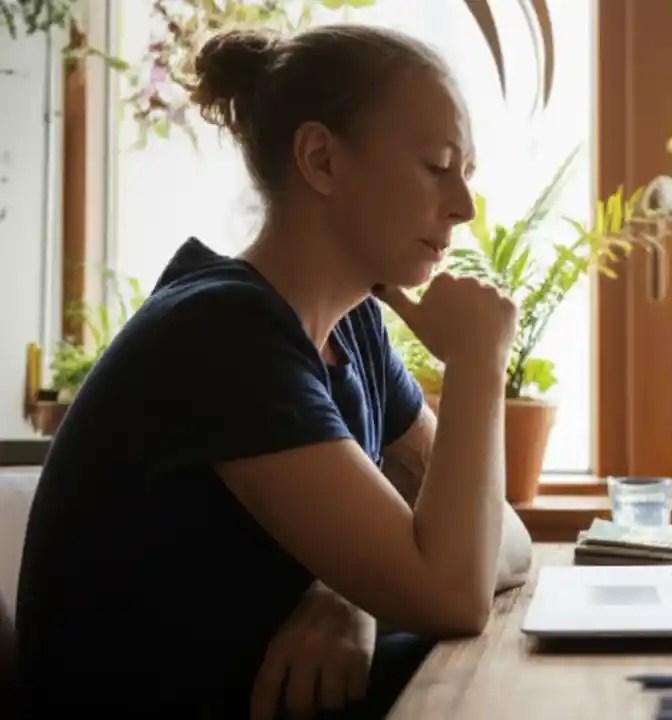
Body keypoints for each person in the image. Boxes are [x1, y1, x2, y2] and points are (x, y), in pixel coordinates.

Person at [15, 23, 533, 719]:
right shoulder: (222, 335)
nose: (463, 207)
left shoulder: (353, 328)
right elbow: (454, 595)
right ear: (321, 159)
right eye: (438, 166)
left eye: (465, 172)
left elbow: (507, 540)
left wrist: (351, 590)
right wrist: (476, 361)